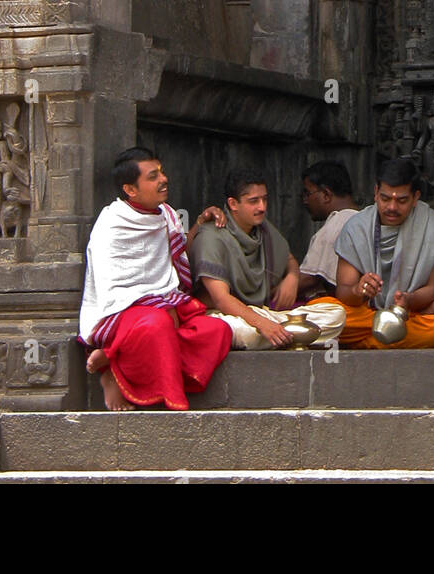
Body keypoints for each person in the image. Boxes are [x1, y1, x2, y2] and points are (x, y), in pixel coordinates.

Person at [79, 146, 232, 412]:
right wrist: (160, 306)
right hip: (123, 312)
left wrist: (199, 223)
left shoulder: (166, 214)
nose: (163, 179)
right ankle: (112, 367)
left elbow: (175, 253)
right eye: (153, 176)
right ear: (130, 189)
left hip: (162, 304)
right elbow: (110, 289)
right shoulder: (112, 223)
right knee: (158, 325)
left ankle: (117, 358)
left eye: (161, 172)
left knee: (217, 330)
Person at [189, 167, 345, 349]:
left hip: (263, 314)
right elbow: (221, 299)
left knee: (336, 314)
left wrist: (292, 277)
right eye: (253, 201)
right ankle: (291, 334)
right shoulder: (211, 236)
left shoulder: (264, 230)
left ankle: (281, 335)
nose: (262, 207)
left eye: (264, 199)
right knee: (244, 332)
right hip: (225, 315)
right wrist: (262, 325)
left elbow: (290, 260)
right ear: (233, 203)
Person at [312, 156, 434, 348]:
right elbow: (343, 291)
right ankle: (384, 338)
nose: (392, 208)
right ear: (376, 193)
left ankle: (372, 341)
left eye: (402, 200)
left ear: (415, 197)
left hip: (407, 316)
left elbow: (432, 289)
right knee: (322, 314)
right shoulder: (355, 228)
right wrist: (358, 290)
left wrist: (408, 300)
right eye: (385, 199)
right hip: (365, 314)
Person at [298, 161, 359, 298]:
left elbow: (310, 278)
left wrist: (270, 293)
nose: (305, 201)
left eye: (307, 193)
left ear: (326, 194)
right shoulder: (363, 219)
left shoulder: (339, 221)